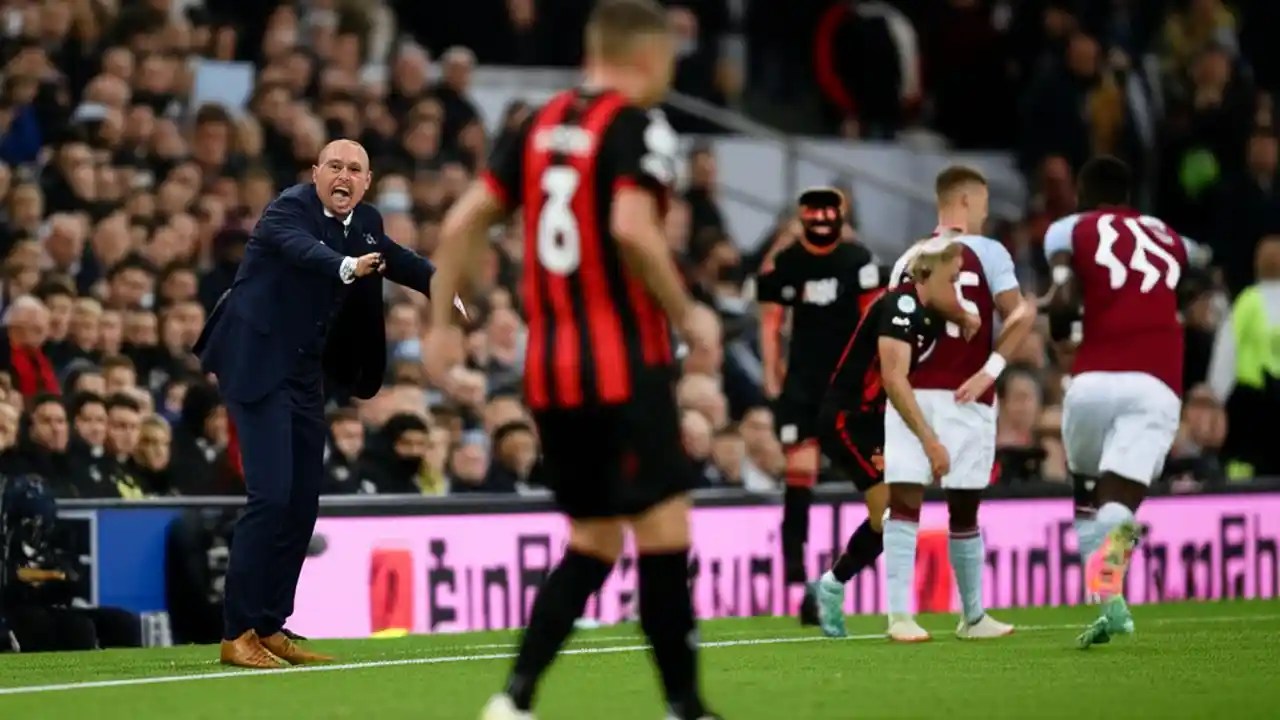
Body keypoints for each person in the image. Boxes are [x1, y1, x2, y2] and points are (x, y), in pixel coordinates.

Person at [428, 1, 720, 718]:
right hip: (625, 364)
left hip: (551, 374)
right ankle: (686, 706)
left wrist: (441, 323)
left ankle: (515, 697)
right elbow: (630, 228)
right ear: (649, 59)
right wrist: (690, 313)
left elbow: (466, 218)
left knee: (592, 539)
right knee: (662, 533)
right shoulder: (639, 125)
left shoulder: (534, 125)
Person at [193, 139, 437, 669]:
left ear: (367, 181)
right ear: (316, 172)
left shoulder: (366, 220)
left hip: (304, 371)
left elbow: (398, 260)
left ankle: (271, 625)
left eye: (354, 168)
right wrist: (347, 267)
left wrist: (446, 286)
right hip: (256, 361)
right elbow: (306, 250)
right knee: (271, 497)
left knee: (304, 501)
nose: (343, 175)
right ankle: (237, 634)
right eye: (334, 166)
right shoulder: (289, 208)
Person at [834, 166, 1035, 642]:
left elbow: (892, 324)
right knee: (958, 508)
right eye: (982, 202)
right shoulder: (991, 252)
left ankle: (918, 616)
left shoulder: (909, 257)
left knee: (907, 504)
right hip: (967, 394)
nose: (986, 212)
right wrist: (992, 370)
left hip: (915, 390)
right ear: (964, 201)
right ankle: (960, 616)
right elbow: (1022, 314)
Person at [1043, 156, 1189, 648]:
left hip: (1090, 381)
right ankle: (1112, 581)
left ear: (1084, 193)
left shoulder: (1071, 229)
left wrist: (1062, 337)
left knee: (1086, 491)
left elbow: (1062, 301)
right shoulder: (1170, 237)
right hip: (1154, 378)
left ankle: (1110, 608)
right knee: (1118, 505)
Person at [811, 234, 964, 637]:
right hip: (848, 418)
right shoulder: (901, 304)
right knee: (891, 514)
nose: (957, 288)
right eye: (953, 278)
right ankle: (855, 597)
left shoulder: (930, 317)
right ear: (927, 273)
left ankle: (831, 586)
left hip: (875, 421)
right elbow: (894, 379)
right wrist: (930, 439)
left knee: (889, 518)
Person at [755, 187, 880, 624]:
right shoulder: (787, 264)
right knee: (800, 474)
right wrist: (773, 377)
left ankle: (833, 581)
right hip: (806, 389)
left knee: (879, 492)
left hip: (848, 391)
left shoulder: (857, 262)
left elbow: (874, 320)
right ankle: (799, 576)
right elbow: (770, 319)